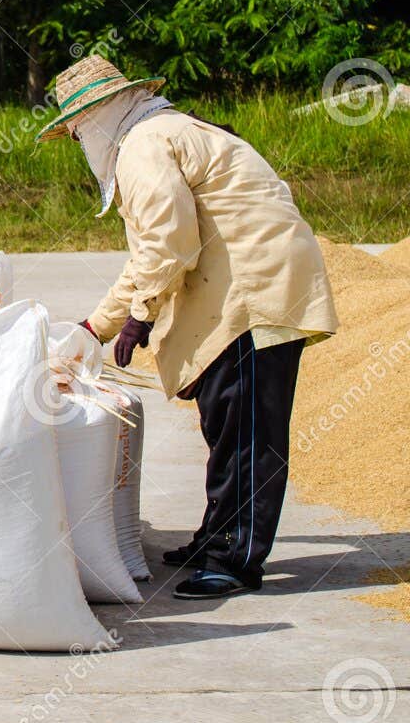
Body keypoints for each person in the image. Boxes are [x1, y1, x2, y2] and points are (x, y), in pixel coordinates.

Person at [37, 55, 337, 600]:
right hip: (239, 289)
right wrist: (98, 325)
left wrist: (141, 316)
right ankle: (217, 537)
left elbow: (169, 243)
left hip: (253, 292)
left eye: (79, 127)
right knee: (226, 422)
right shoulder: (156, 133)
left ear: (103, 112)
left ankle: (237, 559)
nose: (80, 140)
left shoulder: (144, 145)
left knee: (248, 432)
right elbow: (151, 254)